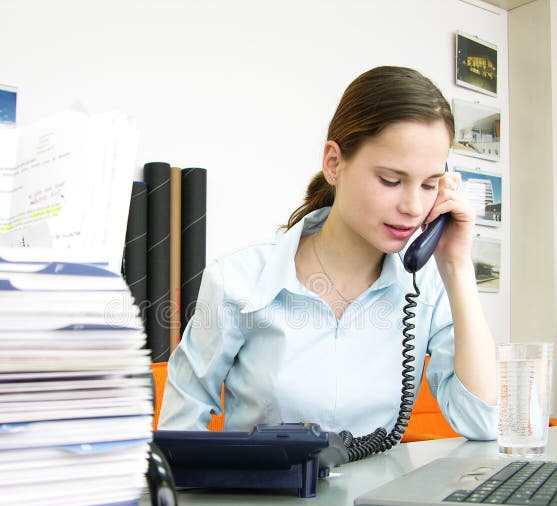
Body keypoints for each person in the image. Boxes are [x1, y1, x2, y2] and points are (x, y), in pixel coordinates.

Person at [159, 66, 497, 442]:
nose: (414, 207)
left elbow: (481, 422)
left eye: (430, 184)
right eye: (391, 180)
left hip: (377, 500)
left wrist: (456, 265)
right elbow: (178, 430)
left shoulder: (427, 287)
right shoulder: (238, 278)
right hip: (263, 499)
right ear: (334, 163)